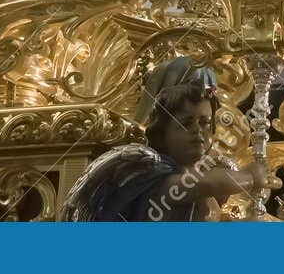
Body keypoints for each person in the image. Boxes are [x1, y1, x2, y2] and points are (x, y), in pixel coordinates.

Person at [61, 58, 266, 221]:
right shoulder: (154, 175)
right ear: (162, 131)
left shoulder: (206, 176)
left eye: (205, 123)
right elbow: (201, 185)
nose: (198, 131)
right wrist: (250, 178)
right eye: (186, 123)